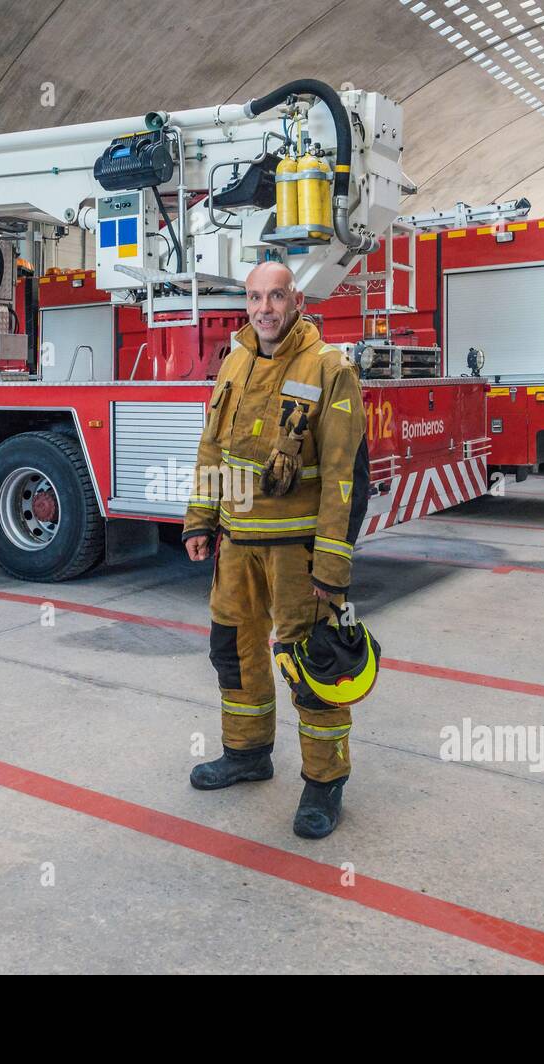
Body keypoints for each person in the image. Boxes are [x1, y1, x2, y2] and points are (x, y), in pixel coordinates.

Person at [183, 259, 369, 839]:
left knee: (310, 667)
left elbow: (344, 478)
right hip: (236, 546)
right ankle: (246, 753)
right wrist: (201, 519)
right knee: (233, 652)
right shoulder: (235, 360)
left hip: (297, 554)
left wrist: (332, 566)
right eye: (256, 297)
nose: (265, 308)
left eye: (277, 296)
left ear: (298, 302)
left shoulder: (329, 369)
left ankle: (323, 783)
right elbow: (214, 448)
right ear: (246, 303)